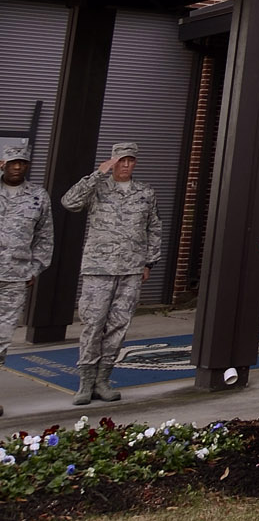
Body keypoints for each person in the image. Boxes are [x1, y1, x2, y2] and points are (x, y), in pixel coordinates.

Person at [61, 143, 162, 407]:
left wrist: (149, 262)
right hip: (99, 269)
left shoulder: (145, 193)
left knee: (118, 326)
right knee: (94, 324)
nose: (126, 165)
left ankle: (103, 380)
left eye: (130, 161)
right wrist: (97, 174)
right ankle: (85, 382)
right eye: (121, 161)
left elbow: (154, 228)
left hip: (131, 269)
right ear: (112, 162)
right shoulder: (97, 188)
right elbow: (69, 202)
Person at [0, 139, 54, 417]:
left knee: (2, 337)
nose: (18, 167)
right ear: (3, 164)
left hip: (14, 277)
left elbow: (45, 238)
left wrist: (35, 269)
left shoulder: (38, 196)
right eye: (12, 163)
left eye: (22, 162)